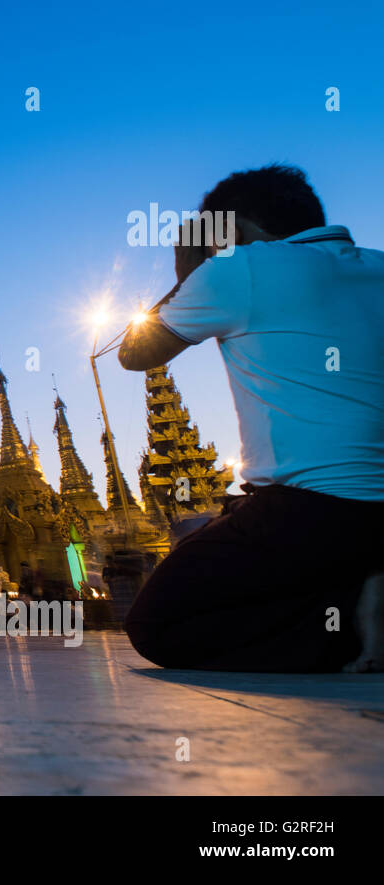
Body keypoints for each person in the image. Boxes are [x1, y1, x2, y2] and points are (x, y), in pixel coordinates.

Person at [119, 165, 384, 672]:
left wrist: (193, 268)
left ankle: (356, 618)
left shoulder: (239, 269)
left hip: (313, 511)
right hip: (359, 516)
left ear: (231, 231)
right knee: (215, 528)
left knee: (158, 623)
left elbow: (135, 352)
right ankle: (362, 585)